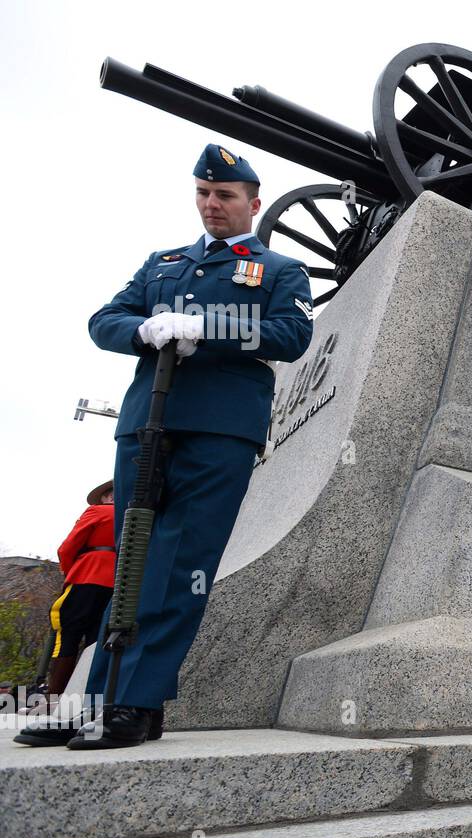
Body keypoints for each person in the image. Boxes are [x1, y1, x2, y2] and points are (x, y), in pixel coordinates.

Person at [15, 144, 314, 750]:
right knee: (132, 562)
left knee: (180, 568)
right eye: (204, 194)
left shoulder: (279, 271)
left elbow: (292, 334)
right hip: (145, 424)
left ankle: (136, 703)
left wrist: (212, 329)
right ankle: (97, 702)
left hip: (219, 430)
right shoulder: (163, 263)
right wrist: (142, 329)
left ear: (253, 204)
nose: (212, 205)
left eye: (225, 196)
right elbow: (105, 319)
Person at [38, 480, 118, 706]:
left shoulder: (97, 511)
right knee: (98, 639)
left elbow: (68, 547)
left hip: (87, 576)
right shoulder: (136, 517)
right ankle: (90, 699)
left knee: (67, 635)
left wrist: (71, 571)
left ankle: (53, 699)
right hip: (118, 582)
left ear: (106, 498)